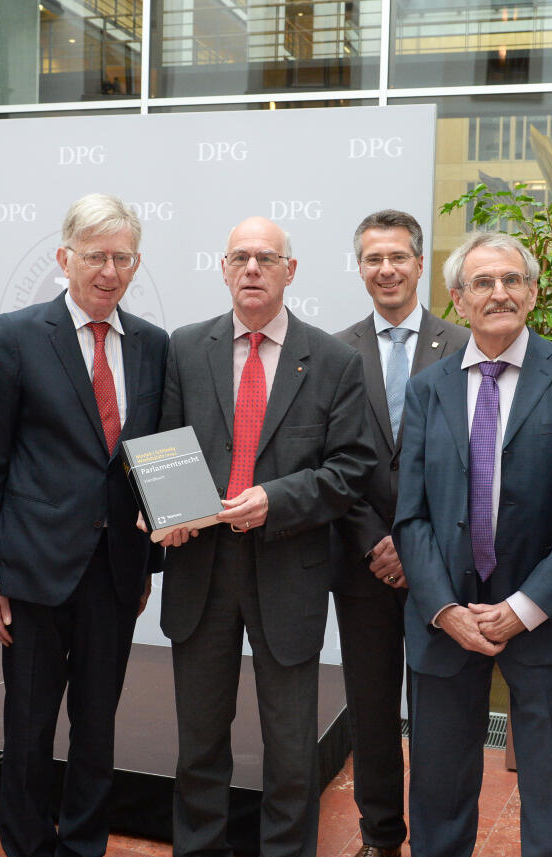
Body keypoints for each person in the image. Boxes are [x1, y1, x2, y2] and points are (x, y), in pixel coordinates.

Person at [156, 216, 376, 857]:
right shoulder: (185, 347)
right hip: (201, 569)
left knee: (290, 752)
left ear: (291, 270)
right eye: (240, 258)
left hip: (288, 570)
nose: (252, 269)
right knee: (198, 743)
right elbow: (162, 446)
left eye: (267, 259)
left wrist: (274, 500)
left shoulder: (334, 360)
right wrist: (161, 507)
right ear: (223, 269)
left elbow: (350, 469)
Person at [393, 231, 552, 857]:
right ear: (458, 300)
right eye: (483, 283)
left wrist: (525, 607)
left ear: (534, 293)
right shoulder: (427, 388)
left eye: (512, 280)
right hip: (445, 621)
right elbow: (410, 515)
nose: (500, 293)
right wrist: (442, 607)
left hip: (545, 619)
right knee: (437, 787)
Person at [0, 193, 168, 857]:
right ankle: (27, 845)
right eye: (95, 256)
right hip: (30, 570)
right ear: (65, 258)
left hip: (114, 571)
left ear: (135, 263)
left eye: (121, 257)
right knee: (27, 727)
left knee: (97, 727)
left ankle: (84, 844)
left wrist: (148, 563)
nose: (109, 270)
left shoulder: (154, 344)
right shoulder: (18, 333)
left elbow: (154, 455)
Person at [330, 209, 468, 857]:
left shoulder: (466, 345)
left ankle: (439, 840)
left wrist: (416, 545)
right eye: (373, 259)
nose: (386, 269)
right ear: (360, 268)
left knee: (440, 715)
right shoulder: (332, 352)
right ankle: (380, 836)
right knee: (373, 710)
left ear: (419, 263)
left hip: (440, 565)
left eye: (397, 257)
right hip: (362, 565)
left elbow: (472, 462)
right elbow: (328, 461)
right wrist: (373, 539)